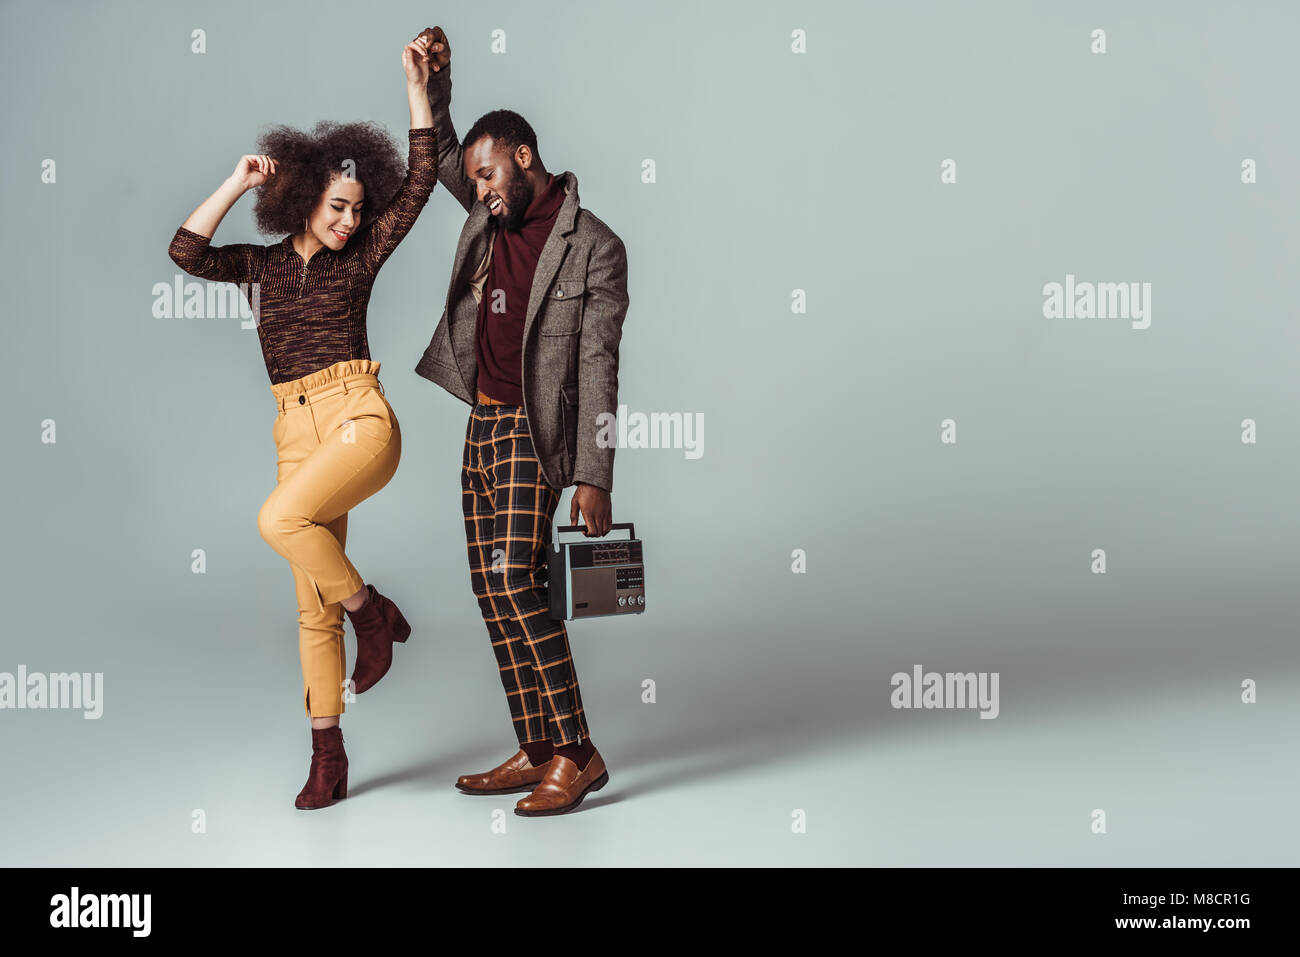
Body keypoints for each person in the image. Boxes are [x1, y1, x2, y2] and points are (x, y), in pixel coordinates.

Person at [167, 35, 439, 809]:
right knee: (308, 605)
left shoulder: (360, 259)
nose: (351, 222)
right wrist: (236, 177)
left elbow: (420, 181)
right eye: (337, 208)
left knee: (279, 518)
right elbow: (186, 250)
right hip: (294, 428)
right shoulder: (260, 266)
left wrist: (414, 86)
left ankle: (374, 615)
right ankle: (329, 756)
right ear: (304, 201)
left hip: (359, 416)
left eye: (358, 210)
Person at [411, 26, 630, 816]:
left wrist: (595, 476)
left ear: (525, 157)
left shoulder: (595, 248)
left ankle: (577, 750)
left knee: (516, 577)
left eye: (489, 174)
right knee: (488, 584)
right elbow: (441, 154)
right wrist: (437, 83)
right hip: (483, 420)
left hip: (537, 435)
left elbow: (600, 368)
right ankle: (536, 747)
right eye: (473, 181)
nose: (480, 191)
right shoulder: (485, 209)